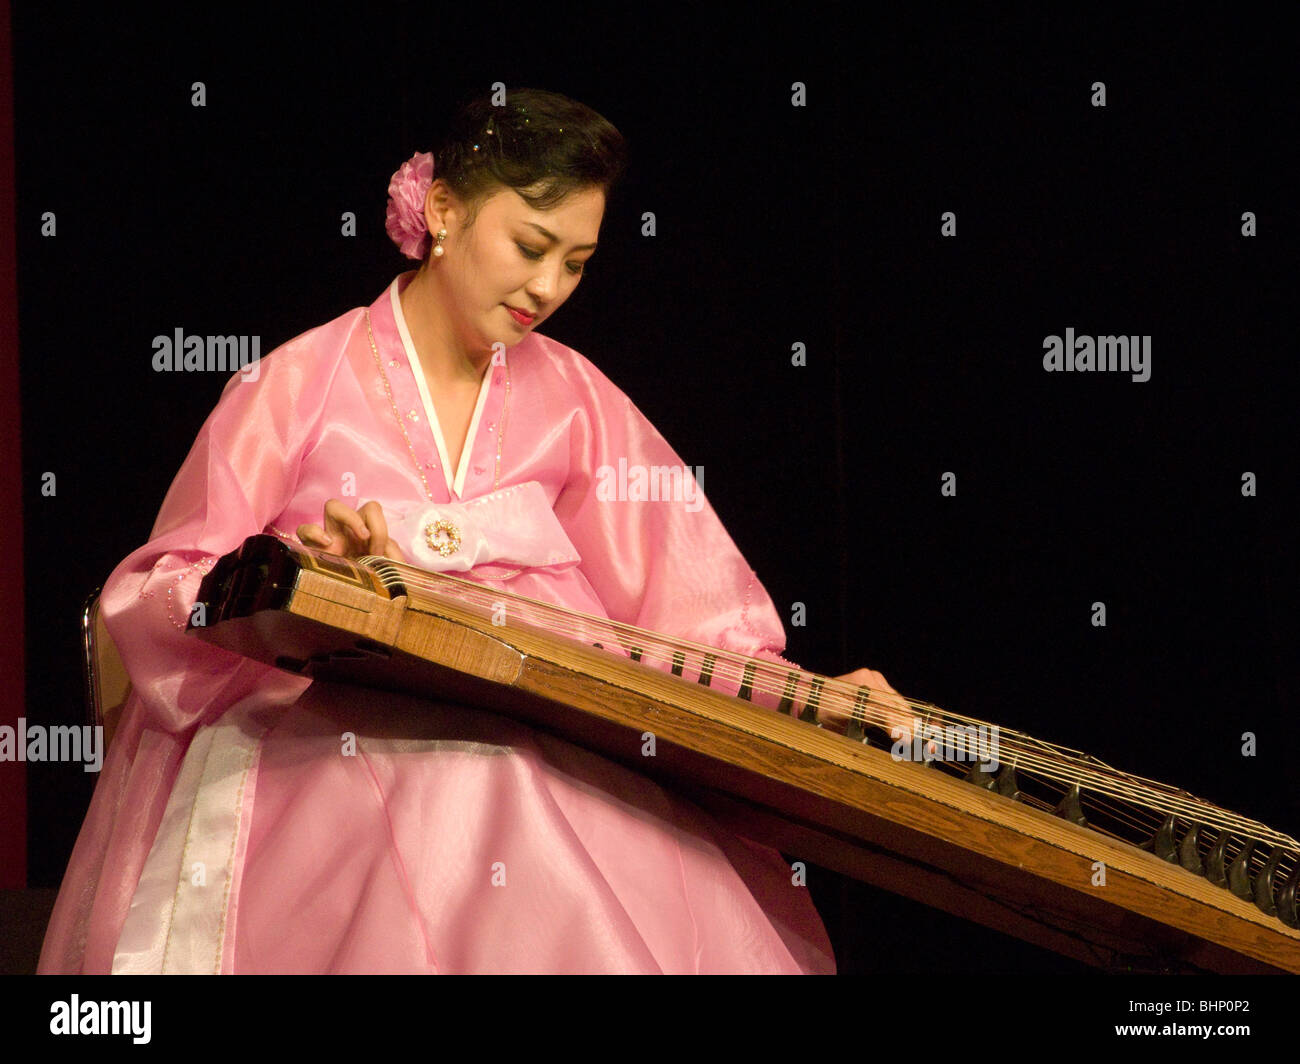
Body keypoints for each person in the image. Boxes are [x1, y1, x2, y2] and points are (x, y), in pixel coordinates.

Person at [39, 87, 899, 974]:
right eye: (530, 248)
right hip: (329, 735)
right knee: (483, 788)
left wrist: (805, 700)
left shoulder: (580, 404)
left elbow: (693, 615)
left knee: (597, 816)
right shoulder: (292, 386)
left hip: (546, 734)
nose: (547, 288)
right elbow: (160, 586)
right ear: (443, 209)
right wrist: (300, 576)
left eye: (576, 262)